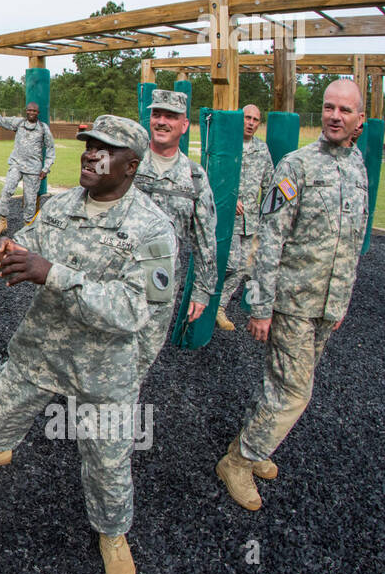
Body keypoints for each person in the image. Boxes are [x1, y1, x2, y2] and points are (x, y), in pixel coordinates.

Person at [0, 115, 176, 574]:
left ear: (132, 166)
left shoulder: (152, 229)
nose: (91, 154)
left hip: (104, 369)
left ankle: (113, 533)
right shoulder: (62, 203)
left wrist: (51, 273)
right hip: (43, 347)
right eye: (90, 145)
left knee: (109, 459)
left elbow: (136, 310)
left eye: (106, 149)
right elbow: (33, 241)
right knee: (8, 395)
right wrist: (10, 248)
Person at [216, 80, 370, 510]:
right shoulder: (295, 166)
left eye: (344, 110)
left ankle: (256, 441)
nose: (335, 116)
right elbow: (270, 239)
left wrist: (341, 302)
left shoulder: (357, 166)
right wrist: (260, 305)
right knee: (295, 392)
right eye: (328, 107)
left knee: (278, 384)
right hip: (292, 304)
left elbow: (353, 238)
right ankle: (240, 460)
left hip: (327, 305)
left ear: (360, 119)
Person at [132, 89, 217, 375]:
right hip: (115, 279)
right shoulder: (128, 164)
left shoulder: (194, 177)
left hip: (160, 287)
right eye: (157, 114)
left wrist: (202, 291)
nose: (162, 122)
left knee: (141, 361)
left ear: (185, 125)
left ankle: (115, 414)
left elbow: (206, 239)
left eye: (171, 116)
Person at [216, 104, 274, 330]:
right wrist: (230, 199)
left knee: (242, 267)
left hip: (250, 221)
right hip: (227, 219)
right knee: (229, 263)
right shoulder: (228, 147)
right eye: (247, 118)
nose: (250, 123)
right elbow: (214, 178)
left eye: (255, 120)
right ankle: (205, 299)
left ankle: (219, 307)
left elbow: (269, 183)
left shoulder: (262, 150)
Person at [0, 91, 56, 237]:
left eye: (34, 111)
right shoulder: (19, 123)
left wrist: (46, 168)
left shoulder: (43, 129)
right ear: (26, 111)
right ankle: (2, 222)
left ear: (38, 113)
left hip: (33, 169)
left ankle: (27, 229)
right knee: (6, 191)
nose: (31, 112)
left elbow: (50, 149)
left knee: (30, 200)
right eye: (29, 110)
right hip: (16, 165)